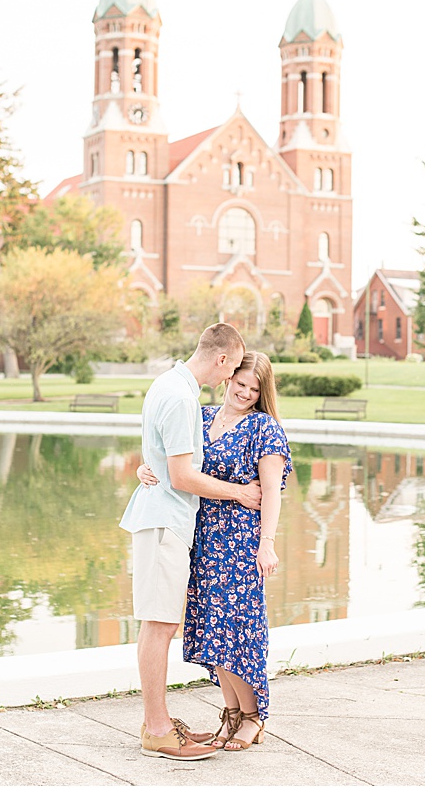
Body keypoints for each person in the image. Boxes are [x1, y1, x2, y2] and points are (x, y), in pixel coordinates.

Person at [119, 323, 262, 761]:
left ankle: (157, 723)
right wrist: (240, 492)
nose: (230, 379)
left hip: (159, 520)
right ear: (221, 359)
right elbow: (182, 476)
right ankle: (159, 730)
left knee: (157, 625)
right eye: (232, 368)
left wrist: (148, 466)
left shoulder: (166, 383)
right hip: (165, 524)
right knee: (159, 627)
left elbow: (158, 455)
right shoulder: (182, 398)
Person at [138, 351, 291, 752]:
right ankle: (231, 713)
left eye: (254, 389)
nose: (244, 393)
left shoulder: (265, 428)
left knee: (238, 630)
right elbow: (177, 462)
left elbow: (272, 492)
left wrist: (267, 544)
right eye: (240, 384)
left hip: (241, 542)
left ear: (262, 393)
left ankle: (253, 717)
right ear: (228, 379)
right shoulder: (200, 416)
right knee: (213, 631)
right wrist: (145, 467)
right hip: (202, 537)